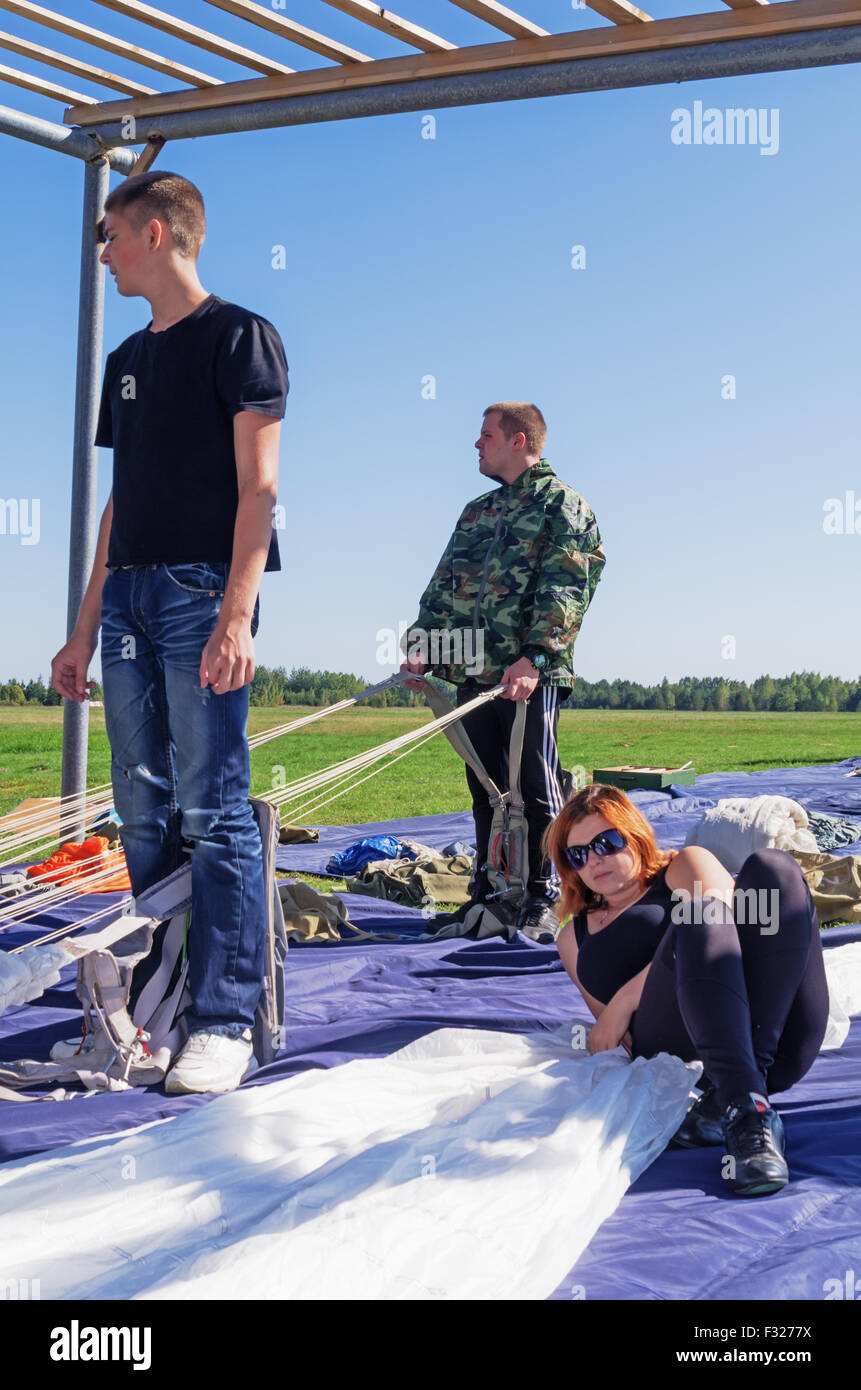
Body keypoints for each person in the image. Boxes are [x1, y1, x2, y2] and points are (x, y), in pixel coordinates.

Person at [50, 171, 289, 1095]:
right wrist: (82, 626)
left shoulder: (241, 337)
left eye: (108, 237)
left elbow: (259, 487)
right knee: (139, 805)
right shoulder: (125, 362)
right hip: (129, 601)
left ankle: (224, 1017)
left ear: (155, 233)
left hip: (200, 593)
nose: (101, 254)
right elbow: (123, 503)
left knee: (213, 805)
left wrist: (237, 613)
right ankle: (162, 990)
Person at [545, 783, 830, 1197]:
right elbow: (610, 1032)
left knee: (773, 868)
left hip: (774, 1035)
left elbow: (730, 916)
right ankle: (748, 1107)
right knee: (699, 911)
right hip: (685, 1054)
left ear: (635, 835)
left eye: (606, 842)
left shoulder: (681, 867)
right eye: (578, 854)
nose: (594, 859)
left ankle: (742, 1086)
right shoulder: (573, 938)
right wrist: (620, 1009)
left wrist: (626, 997)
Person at [401, 402, 605, 941]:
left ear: (519, 440)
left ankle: (548, 895)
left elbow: (566, 587)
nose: (476, 444)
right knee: (486, 791)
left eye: (485, 435)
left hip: (528, 678)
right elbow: (444, 586)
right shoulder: (477, 513)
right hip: (476, 676)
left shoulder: (564, 506)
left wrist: (536, 657)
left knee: (536, 788)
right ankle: (490, 894)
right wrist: (423, 647)